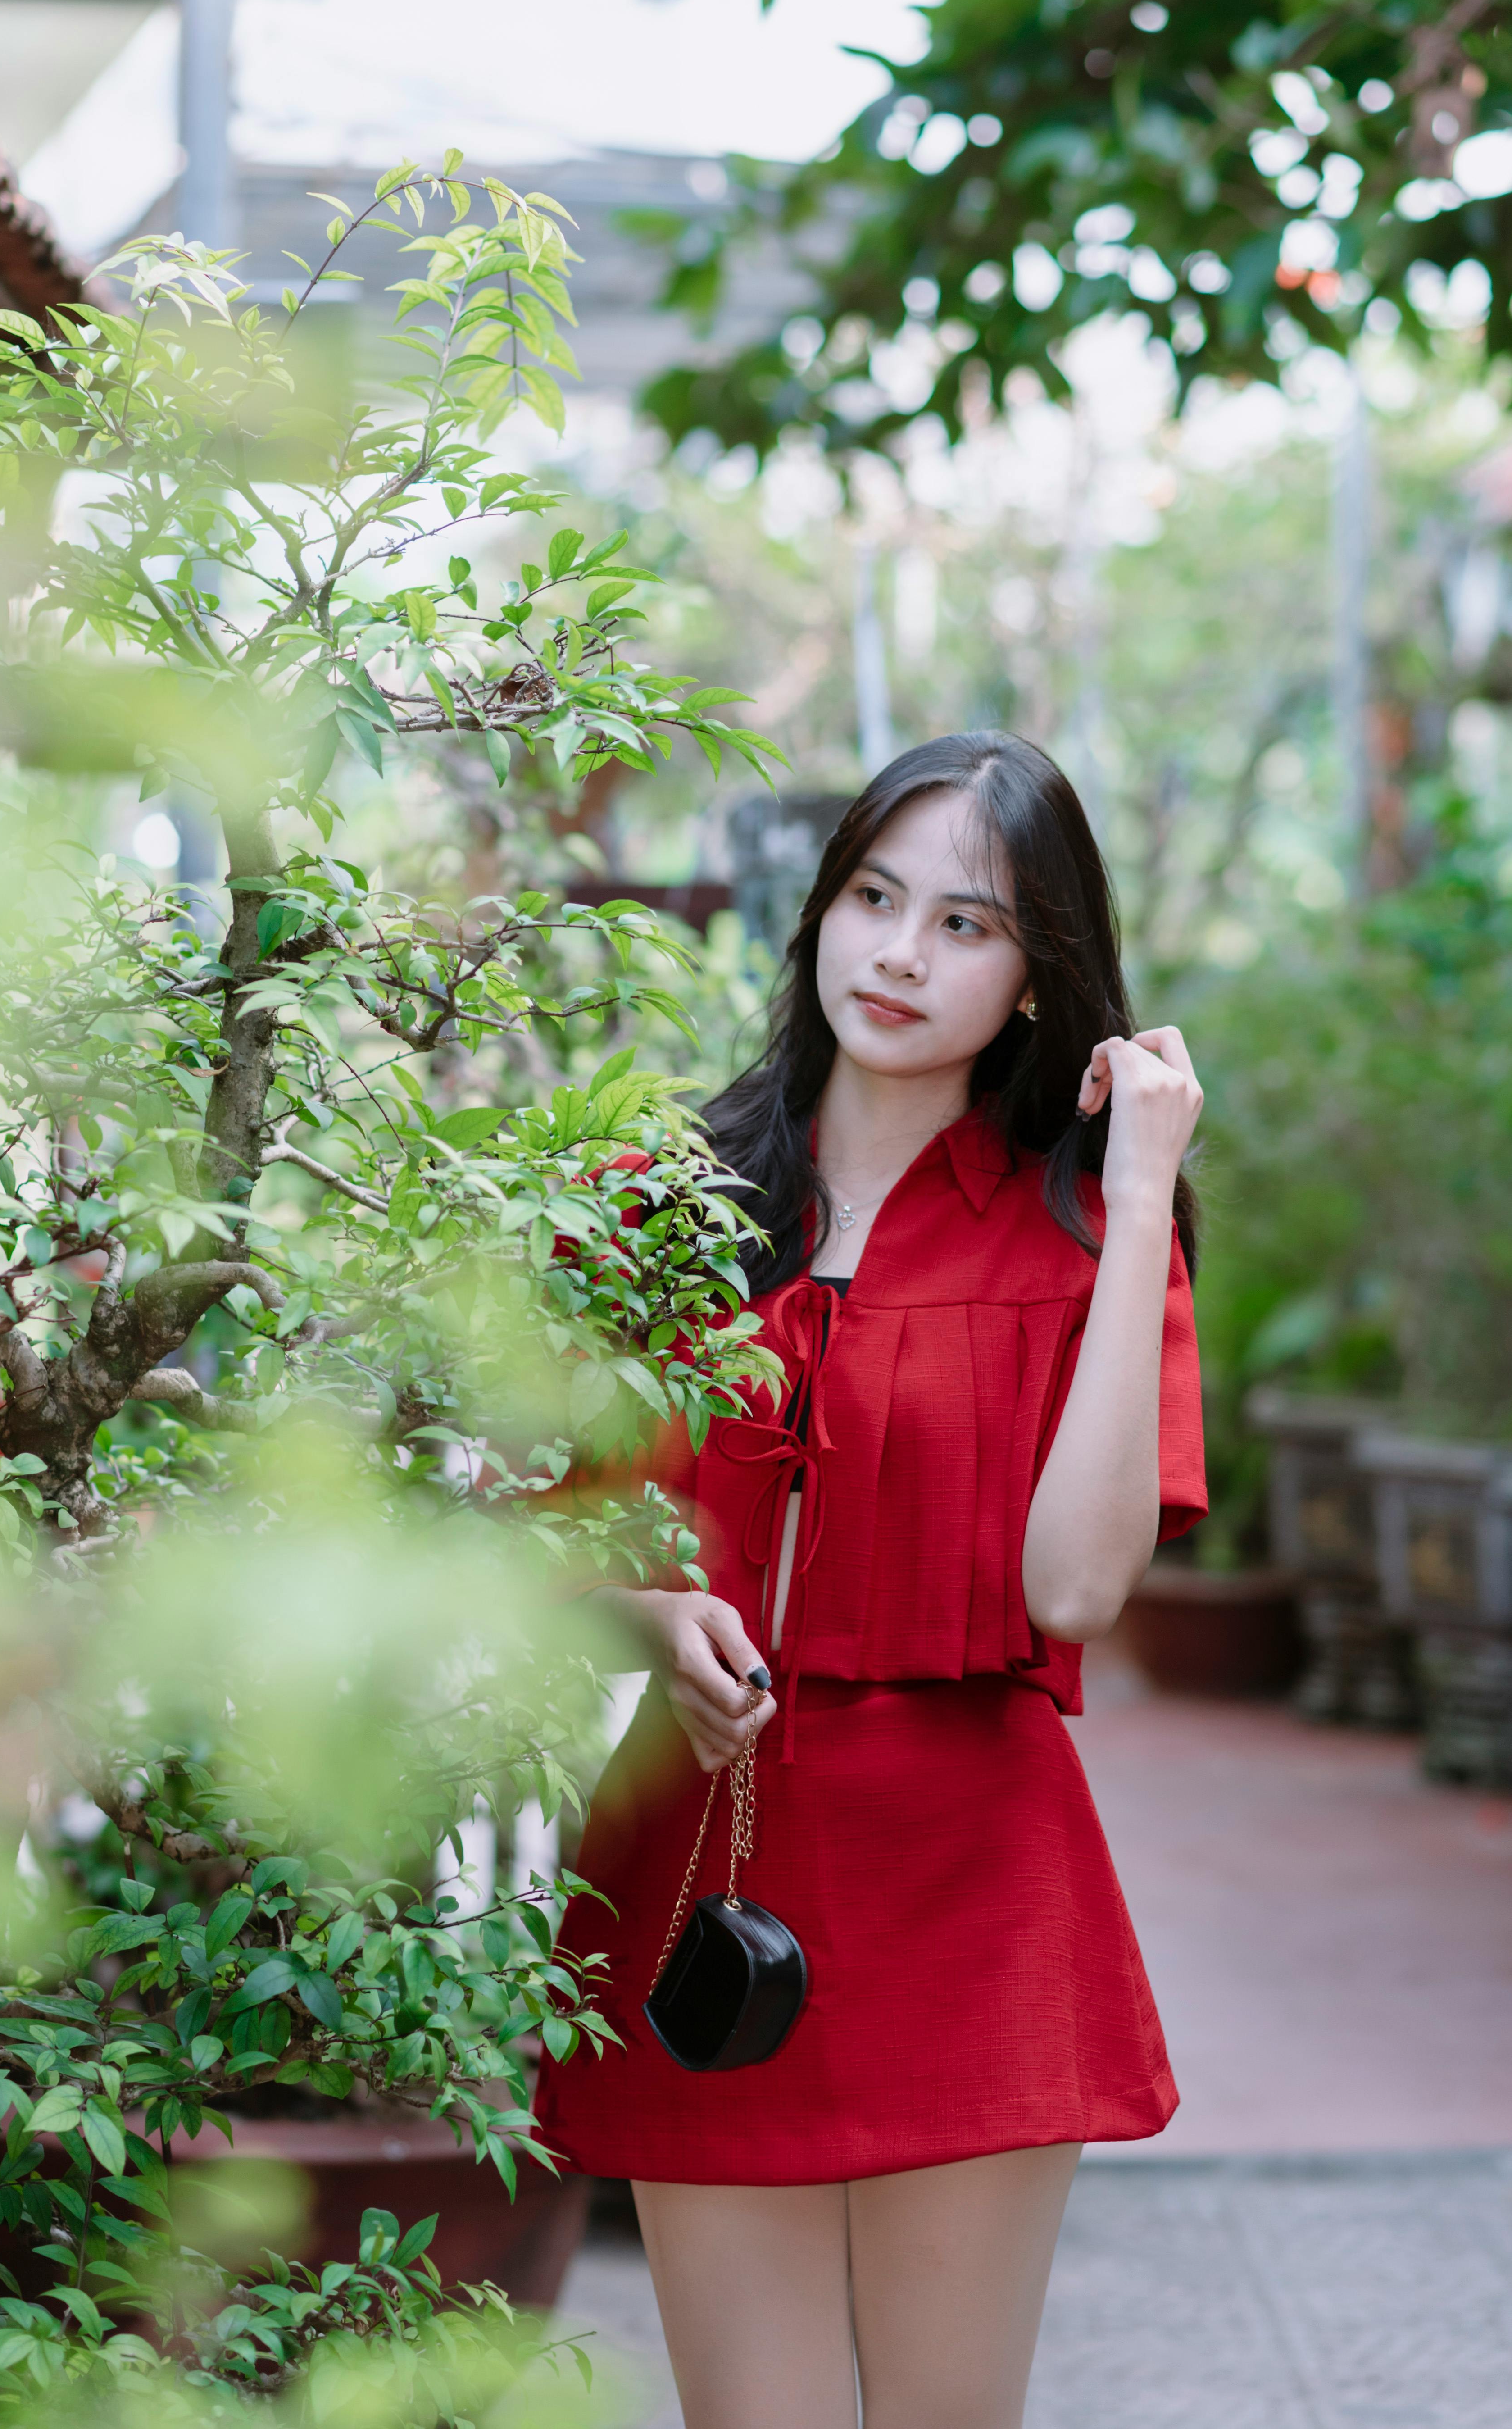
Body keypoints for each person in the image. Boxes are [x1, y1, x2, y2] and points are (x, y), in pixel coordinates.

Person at [537, 730, 1206, 2429]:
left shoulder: (1079, 1237)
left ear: (1040, 977)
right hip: (708, 1861)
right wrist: (635, 1616)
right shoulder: (654, 1206)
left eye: (966, 925)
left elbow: (1077, 1591)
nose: (901, 955)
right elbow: (509, 1536)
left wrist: (1139, 1200)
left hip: (975, 1887)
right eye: (874, 898)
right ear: (820, 911)